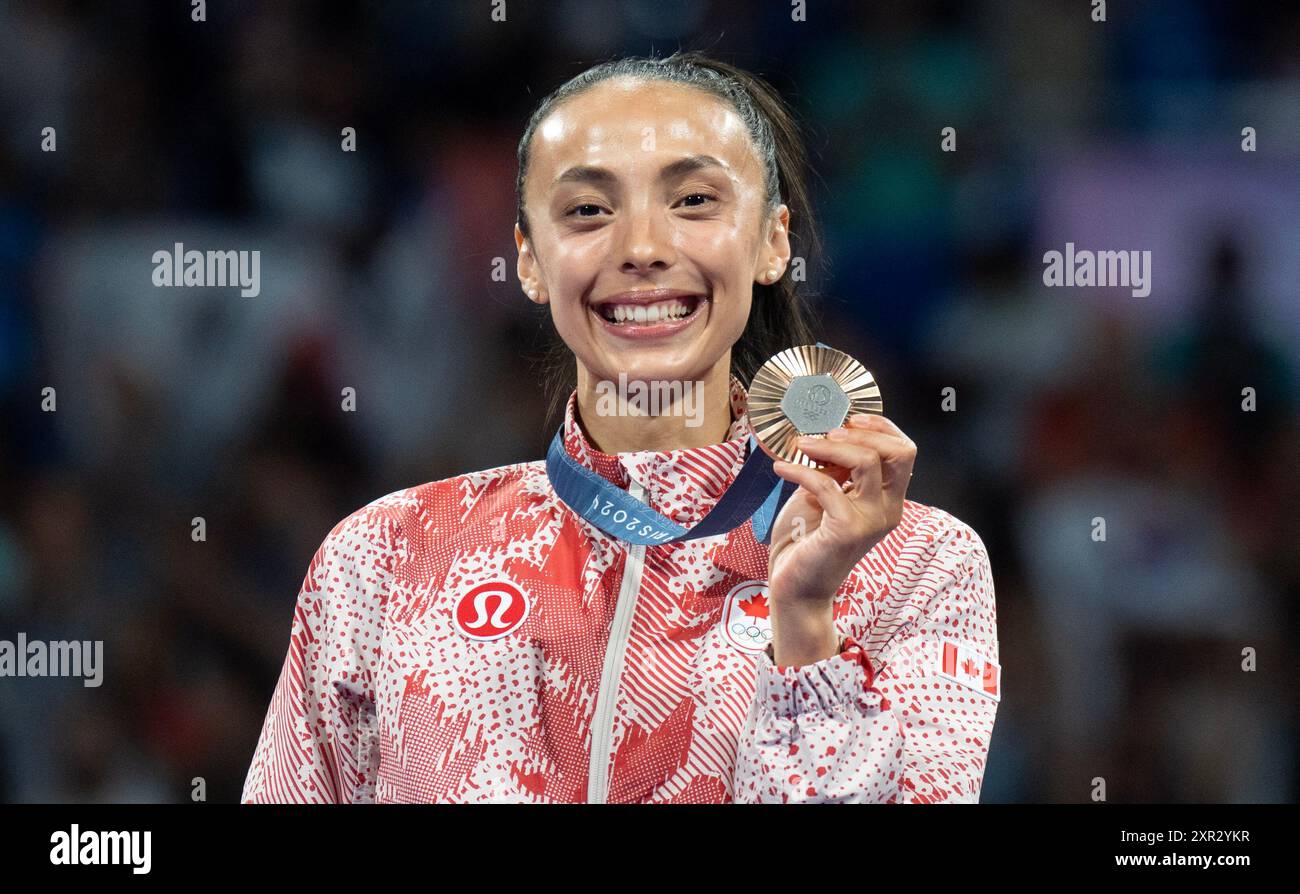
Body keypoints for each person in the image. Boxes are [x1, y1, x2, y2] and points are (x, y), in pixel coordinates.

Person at [241, 51, 1000, 804]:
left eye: (695, 201)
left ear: (773, 242)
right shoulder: (387, 557)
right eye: (587, 211)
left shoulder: (917, 565)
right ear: (530, 261)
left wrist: (805, 625)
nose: (641, 249)